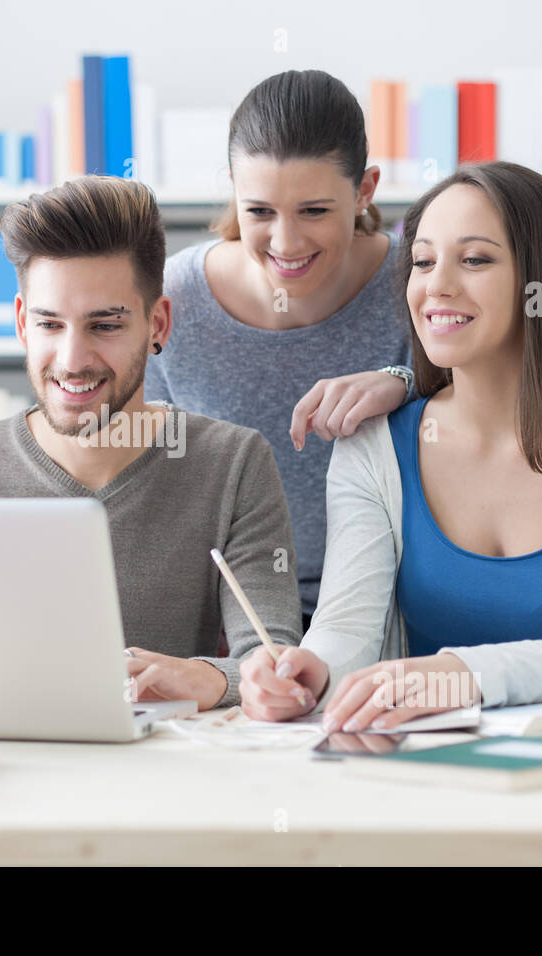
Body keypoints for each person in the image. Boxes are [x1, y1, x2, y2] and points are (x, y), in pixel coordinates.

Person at [239, 161, 542, 728]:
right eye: (424, 261)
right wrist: (311, 671)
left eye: (475, 259)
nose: (437, 285)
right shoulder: (373, 450)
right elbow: (346, 630)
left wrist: (465, 675)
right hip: (431, 781)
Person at [0, 175, 303, 710]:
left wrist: (213, 679)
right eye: (50, 324)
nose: (72, 360)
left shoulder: (232, 464)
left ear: (156, 323)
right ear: (23, 324)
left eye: (105, 326)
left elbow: (269, 658)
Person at [146, 69, 414, 627]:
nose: (286, 244)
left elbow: (504, 408)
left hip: (393, 609)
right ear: (233, 190)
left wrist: (407, 382)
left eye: (314, 211)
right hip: (230, 618)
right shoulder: (173, 301)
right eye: (260, 211)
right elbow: (149, 486)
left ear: (365, 190)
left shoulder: (419, 280)